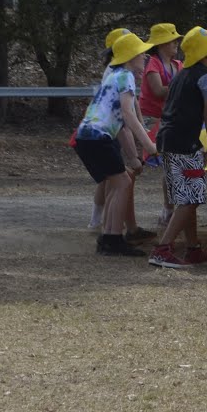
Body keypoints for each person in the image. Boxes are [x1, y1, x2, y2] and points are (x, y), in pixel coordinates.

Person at [75, 31, 162, 256]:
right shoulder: (125, 77)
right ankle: (112, 239)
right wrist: (149, 146)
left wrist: (135, 155)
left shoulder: (114, 75)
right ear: (131, 57)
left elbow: (122, 122)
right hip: (97, 137)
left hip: (88, 137)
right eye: (142, 54)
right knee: (122, 183)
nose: (145, 58)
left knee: (118, 182)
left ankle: (109, 237)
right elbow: (128, 115)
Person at [148, 26, 207, 269]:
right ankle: (163, 248)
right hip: (185, 142)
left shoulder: (181, 74)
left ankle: (193, 249)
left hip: (167, 139)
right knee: (191, 197)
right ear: (204, 53)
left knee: (187, 196)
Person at [137, 22, 183, 236]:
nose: (176, 43)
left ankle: (168, 210)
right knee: (135, 167)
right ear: (162, 43)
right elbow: (157, 91)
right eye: (173, 39)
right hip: (151, 119)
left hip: (170, 120)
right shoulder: (153, 64)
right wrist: (184, 84)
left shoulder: (178, 64)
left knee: (170, 165)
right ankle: (168, 210)